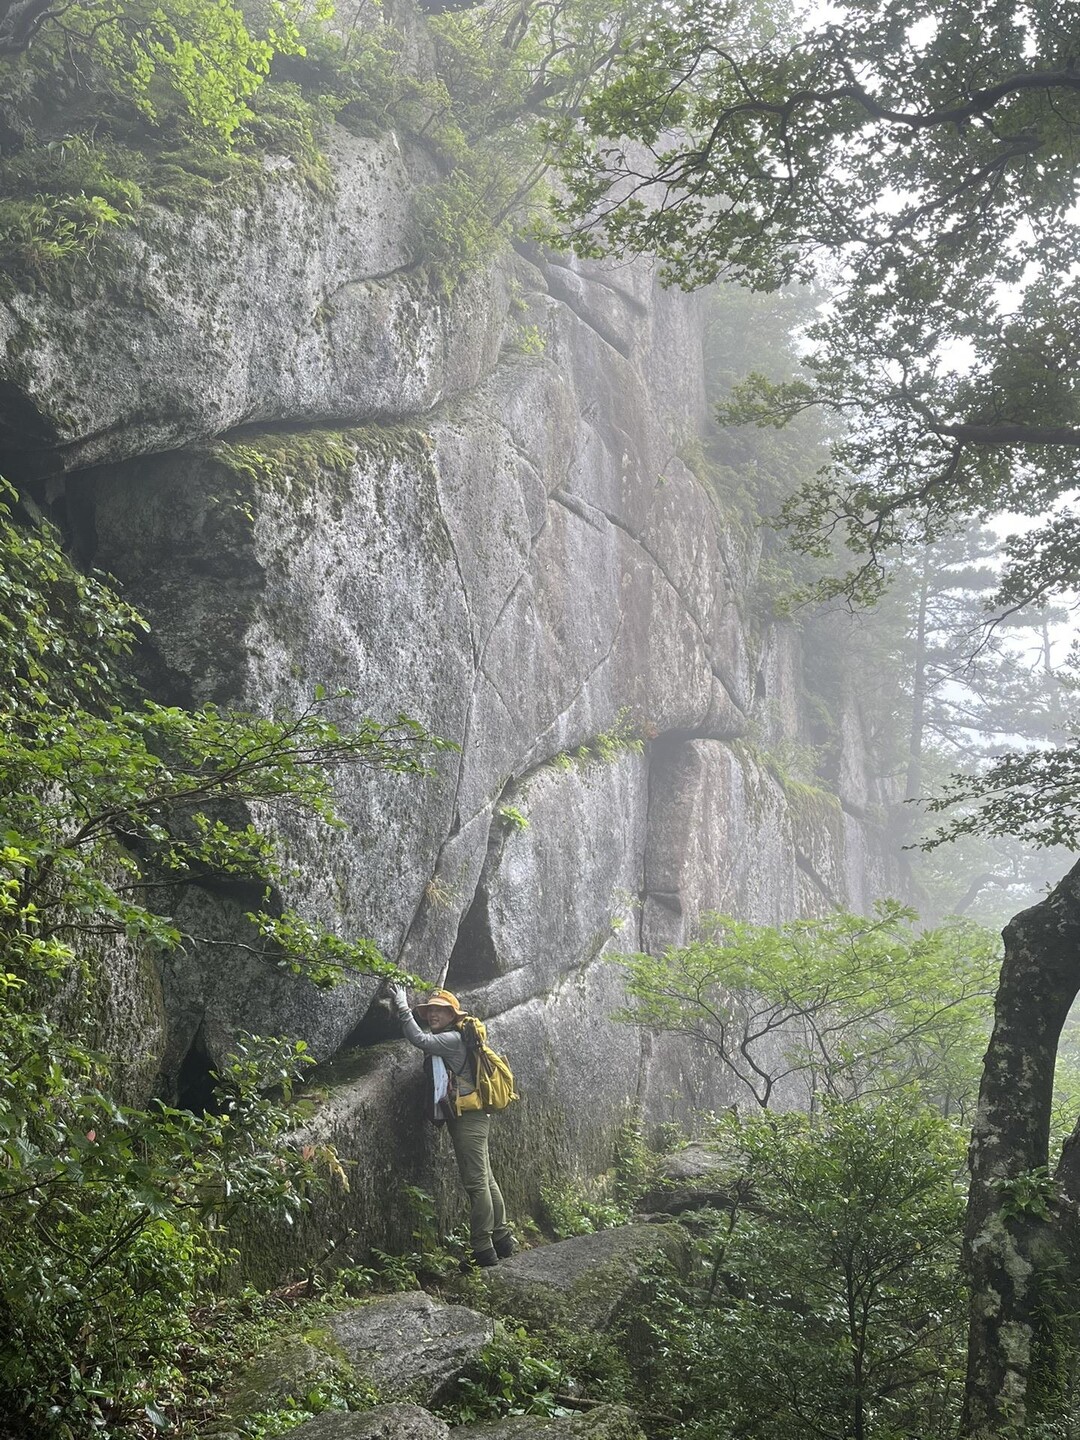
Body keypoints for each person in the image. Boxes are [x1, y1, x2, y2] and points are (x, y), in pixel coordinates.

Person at [388, 983, 515, 1268]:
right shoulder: (458, 1036)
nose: (433, 1014)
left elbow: (419, 1039)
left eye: (440, 1010)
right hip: (474, 1116)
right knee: (486, 1178)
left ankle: (483, 1248)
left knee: (476, 1183)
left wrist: (403, 1008)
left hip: (468, 1119)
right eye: (430, 1010)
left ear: (452, 1015)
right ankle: (502, 1238)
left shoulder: (451, 1039)